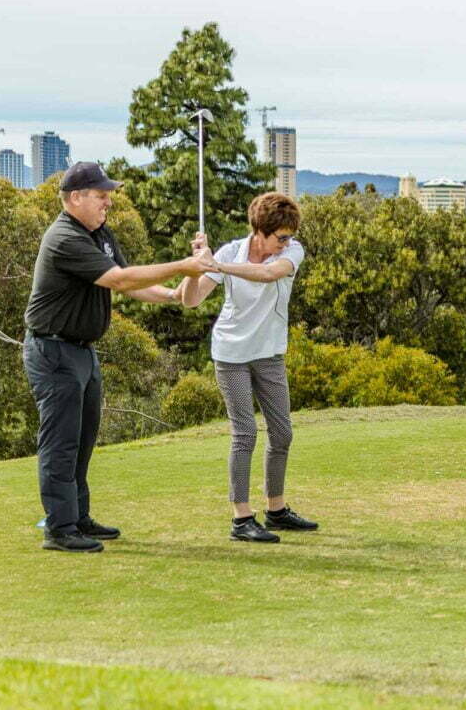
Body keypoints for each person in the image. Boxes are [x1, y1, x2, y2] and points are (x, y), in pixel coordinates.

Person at [23, 162, 211, 553]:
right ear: (76, 198)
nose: (108, 201)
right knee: (61, 442)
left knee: (84, 438)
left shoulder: (98, 234)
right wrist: (184, 265)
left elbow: (127, 280)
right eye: (101, 195)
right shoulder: (64, 237)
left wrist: (174, 293)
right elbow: (120, 281)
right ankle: (59, 529)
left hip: (82, 352)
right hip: (53, 350)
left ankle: (78, 516)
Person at [178, 191, 316, 544]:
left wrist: (218, 266)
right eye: (279, 237)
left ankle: (276, 510)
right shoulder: (229, 252)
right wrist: (197, 267)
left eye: (288, 237)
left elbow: (268, 275)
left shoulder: (290, 253)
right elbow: (191, 301)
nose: (286, 243)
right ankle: (241, 518)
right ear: (259, 230)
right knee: (246, 434)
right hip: (231, 354)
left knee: (282, 433)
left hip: (269, 353)